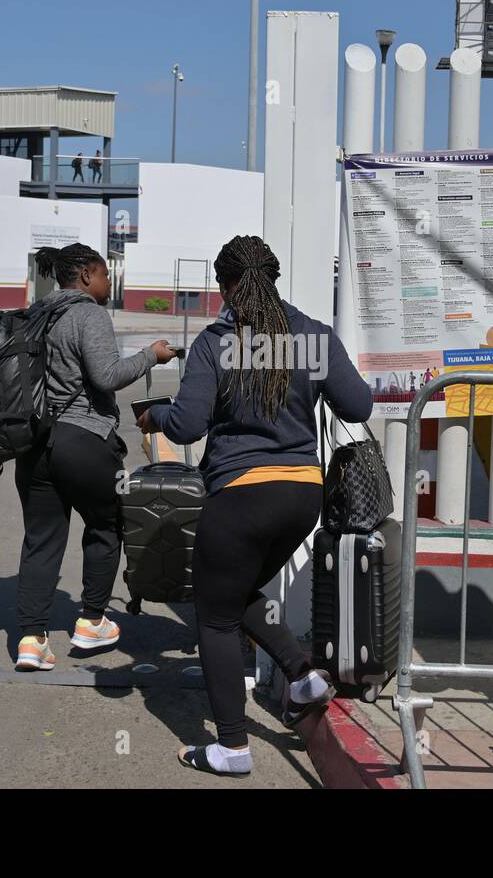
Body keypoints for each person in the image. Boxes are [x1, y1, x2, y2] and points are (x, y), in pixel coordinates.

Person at [138, 235, 373, 777]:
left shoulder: (216, 343)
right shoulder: (313, 336)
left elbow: (191, 423)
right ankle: (302, 673)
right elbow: (358, 404)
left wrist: (157, 415)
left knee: (214, 616)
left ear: (224, 287)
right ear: (275, 278)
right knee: (237, 593)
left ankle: (232, 747)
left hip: (241, 496)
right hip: (301, 496)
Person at [13, 244, 175, 671]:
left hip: (34, 448)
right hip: (82, 440)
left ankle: (31, 640)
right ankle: (91, 621)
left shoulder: (36, 314)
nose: (109, 283)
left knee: (41, 539)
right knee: (106, 526)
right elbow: (106, 375)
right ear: (86, 275)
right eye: (105, 275)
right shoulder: (89, 313)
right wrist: (150, 357)